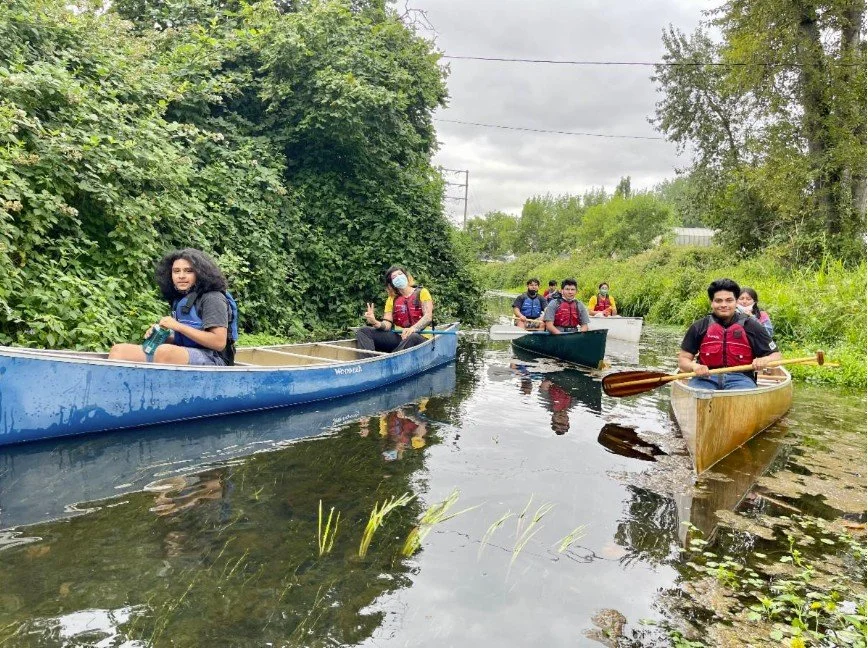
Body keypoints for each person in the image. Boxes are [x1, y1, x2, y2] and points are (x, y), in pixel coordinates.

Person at [108, 248, 237, 366]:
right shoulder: (180, 298)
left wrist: (177, 326)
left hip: (215, 358)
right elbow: (184, 339)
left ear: (200, 273)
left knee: (165, 352)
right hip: (183, 353)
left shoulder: (212, 298)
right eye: (176, 271)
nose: (181, 276)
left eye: (188, 271)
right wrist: (162, 335)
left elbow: (218, 343)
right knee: (119, 351)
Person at [678, 278, 781, 390]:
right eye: (718, 301)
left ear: (736, 302)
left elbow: (776, 356)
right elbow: (683, 360)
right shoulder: (699, 326)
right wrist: (694, 366)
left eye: (729, 300)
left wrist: (765, 360)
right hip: (705, 379)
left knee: (742, 396)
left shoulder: (752, 326)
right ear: (711, 303)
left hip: (741, 379)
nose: (723, 305)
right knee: (699, 394)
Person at [356, 265, 434, 353]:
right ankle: (370, 363)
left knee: (412, 336)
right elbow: (387, 324)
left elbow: (428, 317)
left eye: (400, 274)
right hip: (399, 337)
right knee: (363, 331)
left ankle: (392, 357)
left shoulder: (422, 292)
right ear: (392, 283)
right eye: (394, 277)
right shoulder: (391, 299)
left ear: (406, 276)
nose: (398, 277)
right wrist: (375, 322)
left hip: (421, 336)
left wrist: (412, 329)